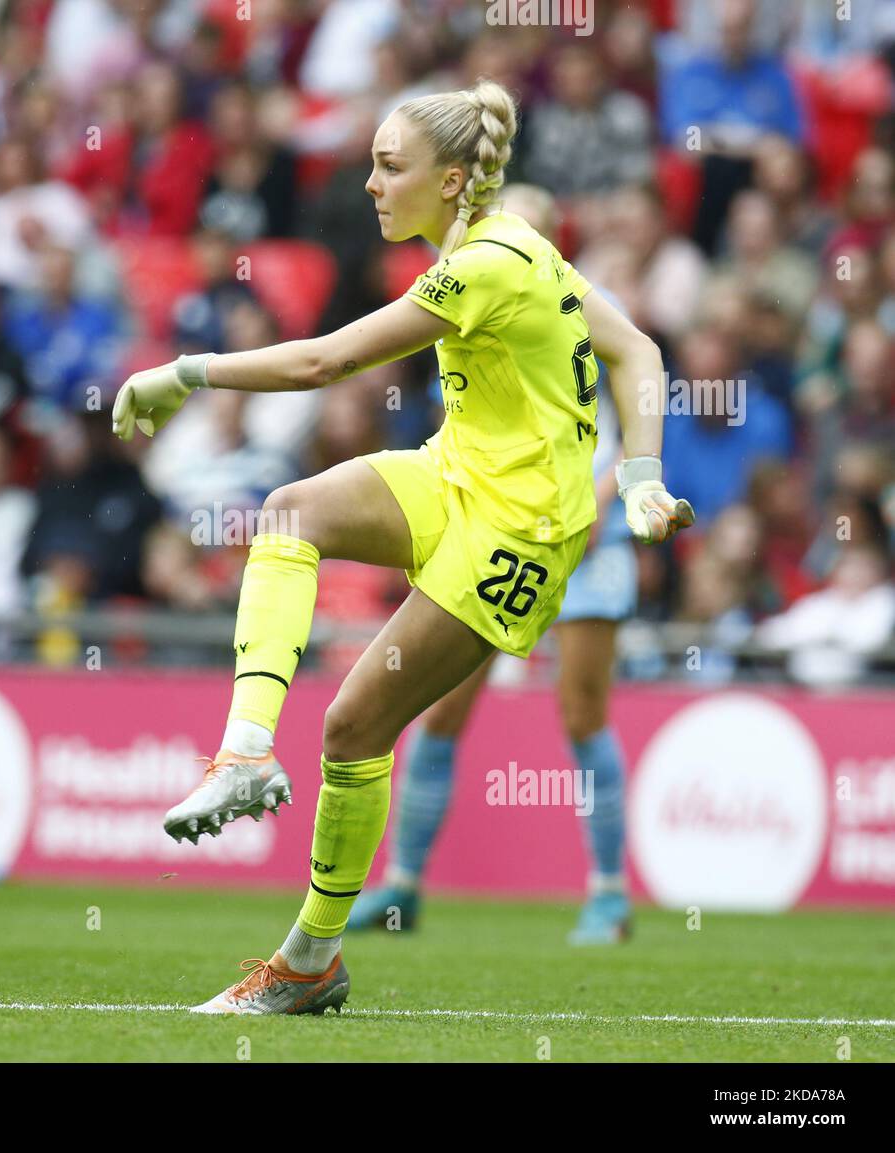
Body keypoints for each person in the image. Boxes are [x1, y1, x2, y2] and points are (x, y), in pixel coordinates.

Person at [111, 80, 694, 1015]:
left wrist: (185, 369)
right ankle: (246, 752)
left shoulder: (489, 265)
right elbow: (635, 350)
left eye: (391, 167)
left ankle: (312, 957)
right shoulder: (519, 246)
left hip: (520, 533)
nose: (372, 184)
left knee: (352, 728)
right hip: (456, 475)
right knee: (291, 510)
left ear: (454, 179)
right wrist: (639, 475)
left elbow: (324, 361)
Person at [347, 184, 640, 945]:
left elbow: (629, 396)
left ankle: (608, 894)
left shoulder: (576, 298)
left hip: (583, 532)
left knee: (581, 712)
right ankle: (403, 886)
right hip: (498, 527)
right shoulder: (467, 289)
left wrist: (618, 490)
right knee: (442, 707)